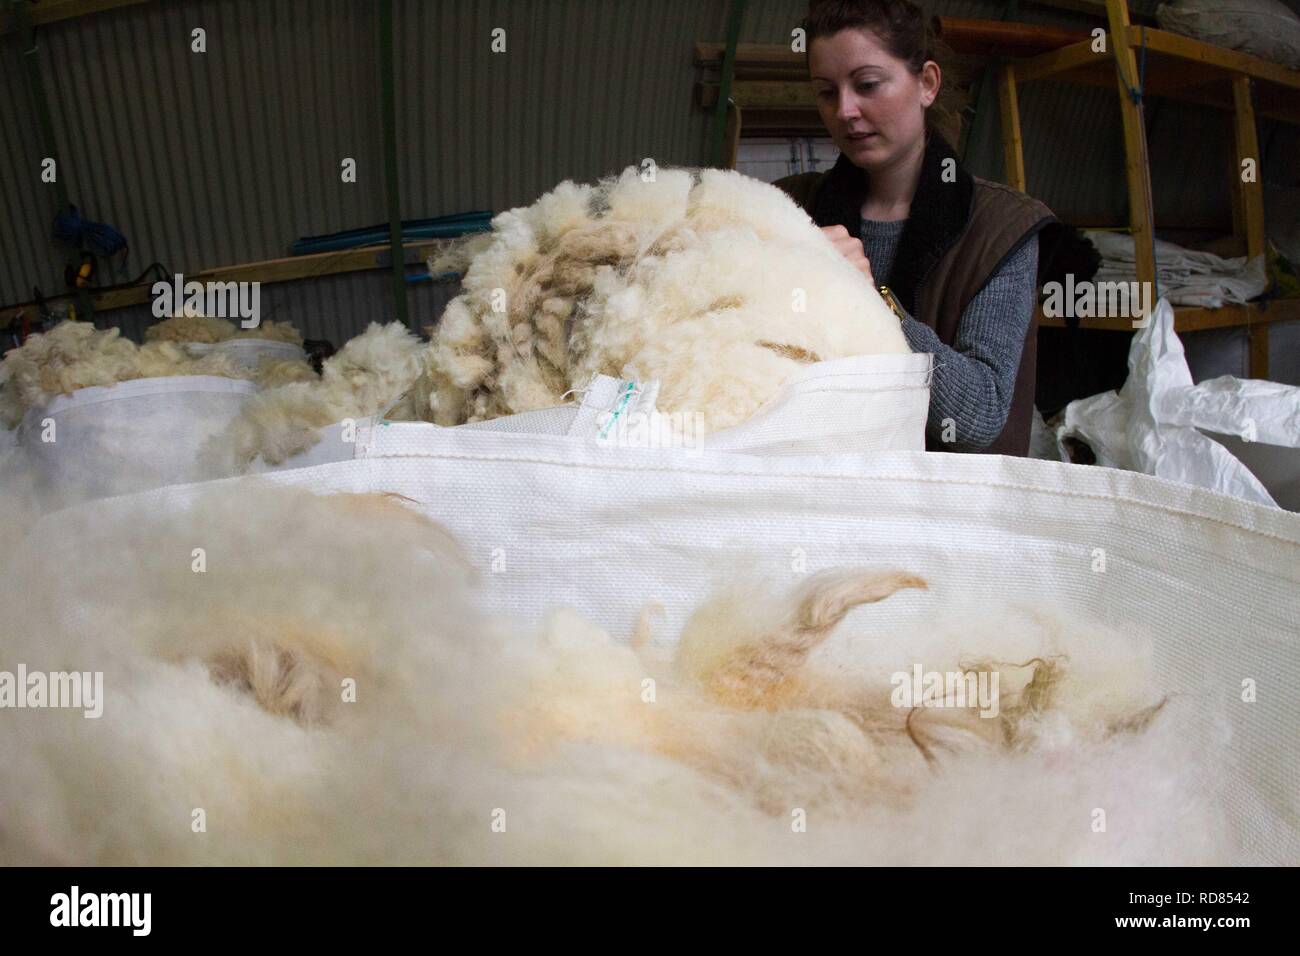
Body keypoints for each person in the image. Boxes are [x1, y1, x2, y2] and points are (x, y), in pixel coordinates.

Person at [774, 0, 1057, 455]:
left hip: (942, 511)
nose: (845, 110)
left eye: (867, 84)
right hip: (816, 489)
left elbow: (980, 415)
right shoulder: (789, 207)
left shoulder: (1001, 227)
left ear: (926, 83)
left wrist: (872, 304)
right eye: (827, 92)